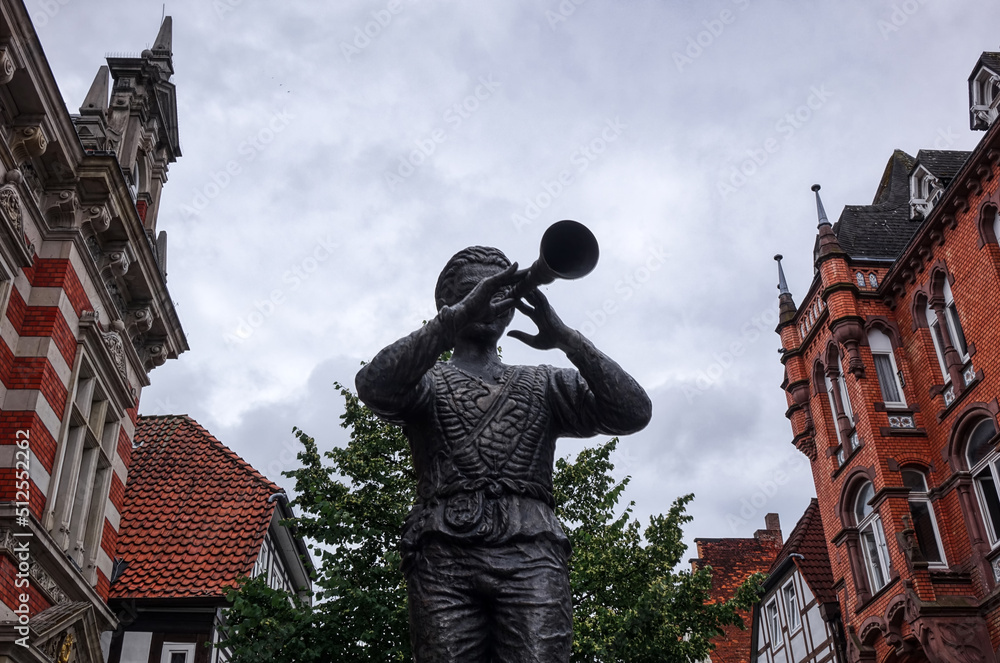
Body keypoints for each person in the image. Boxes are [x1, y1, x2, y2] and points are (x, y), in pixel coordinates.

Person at [355, 245, 651, 663]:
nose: (488, 300)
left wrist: (567, 339)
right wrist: (452, 320)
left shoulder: (544, 384)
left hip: (533, 556)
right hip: (443, 559)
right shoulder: (426, 383)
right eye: (474, 291)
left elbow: (633, 411)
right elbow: (374, 386)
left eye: (498, 292)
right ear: (447, 302)